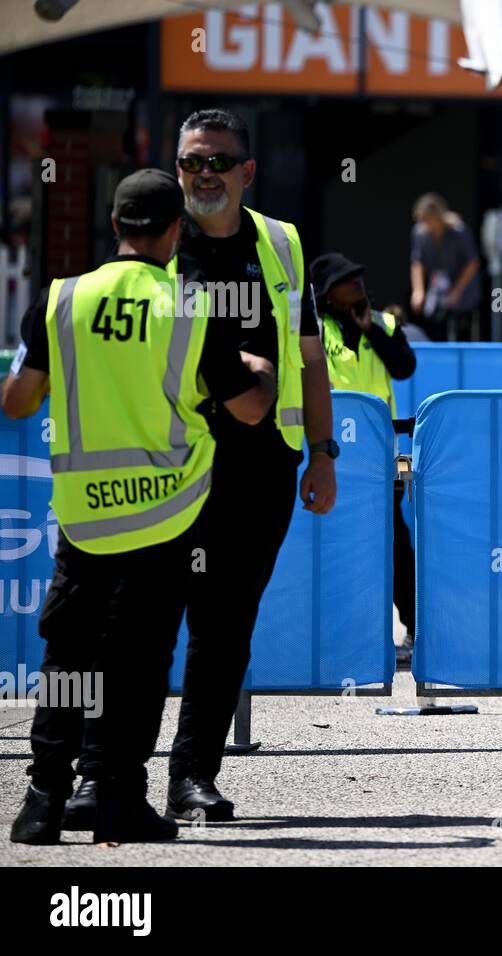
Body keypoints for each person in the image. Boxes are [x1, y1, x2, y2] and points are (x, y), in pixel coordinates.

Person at [5, 169, 276, 844]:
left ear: (115, 225)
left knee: (69, 659)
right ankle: (120, 796)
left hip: (85, 515)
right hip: (163, 516)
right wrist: (262, 372)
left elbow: (17, 401)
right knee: (138, 661)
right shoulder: (191, 305)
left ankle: (42, 799)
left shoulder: (62, 298)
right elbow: (247, 410)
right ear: (175, 231)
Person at [123, 108, 334, 824]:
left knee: (225, 626)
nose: (203, 174)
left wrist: (323, 454)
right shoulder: (155, 241)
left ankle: (192, 779)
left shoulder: (281, 242)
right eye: (190, 163)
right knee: (145, 625)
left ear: (246, 170)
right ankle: (109, 777)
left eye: (217, 161)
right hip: (169, 465)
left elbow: (309, 356)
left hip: (259, 468)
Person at [310, 252, 417, 662]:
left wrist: (370, 326)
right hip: (331, 457)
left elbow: (404, 365)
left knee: (394, 545)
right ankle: (335, 637)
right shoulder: (313, 330)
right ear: (326, 293)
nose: (356, 285)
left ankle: (414, 630)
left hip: (379, 457)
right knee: (334, 545)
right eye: (345, 281)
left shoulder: (383, 325)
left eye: (357, 278)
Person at [409, 193, 482, 342]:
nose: (424, 224)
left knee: (461, 333)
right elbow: (417, 262)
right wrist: (418, 290)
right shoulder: (419, 233)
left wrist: (457, 291)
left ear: (438, 216)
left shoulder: (458, 231)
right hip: (438, 291)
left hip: (463, 292)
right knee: (435, 327)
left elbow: (472, 262)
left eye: (428, 219)